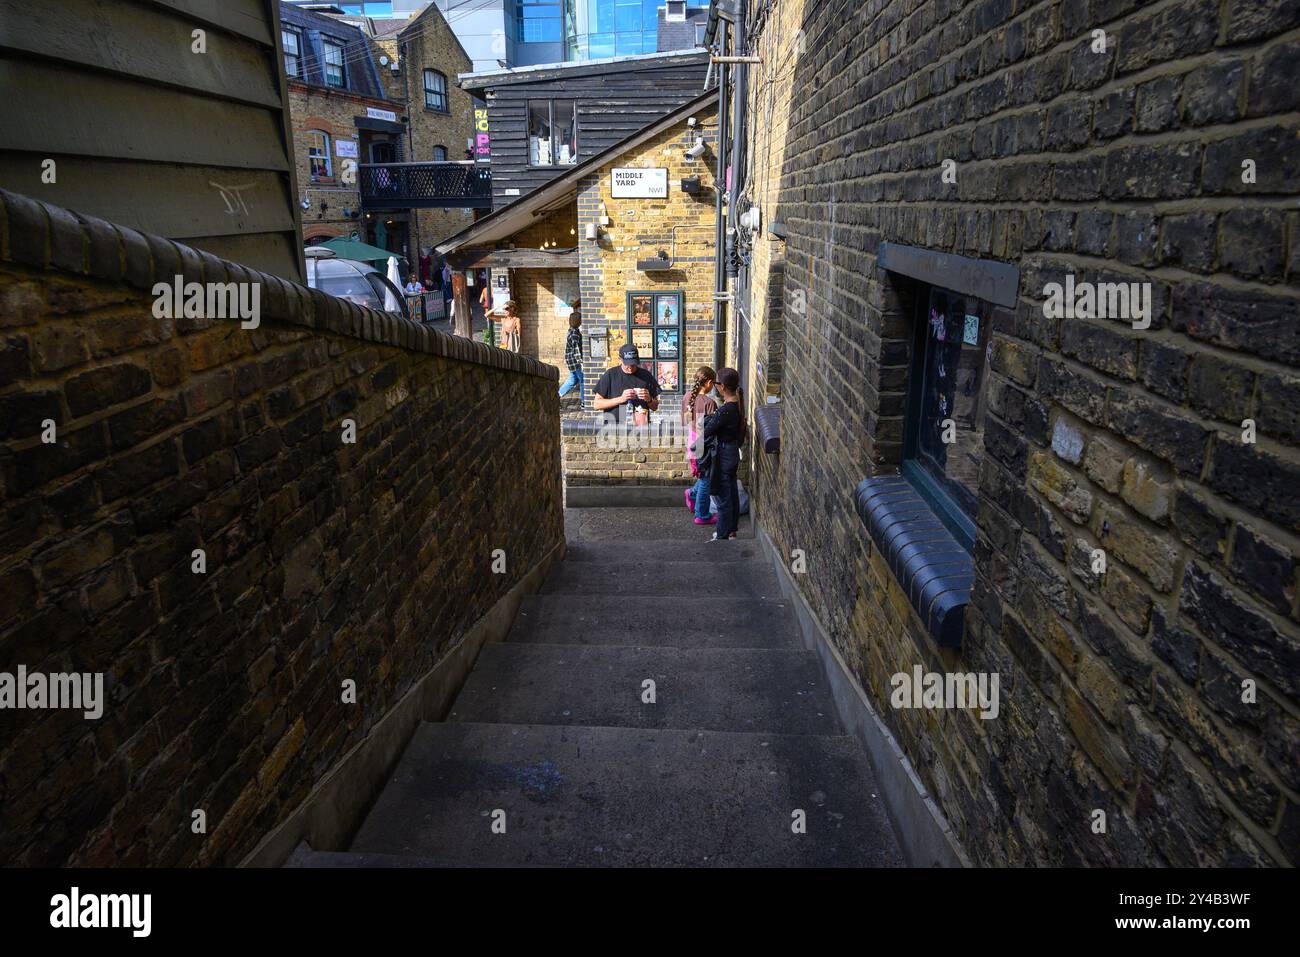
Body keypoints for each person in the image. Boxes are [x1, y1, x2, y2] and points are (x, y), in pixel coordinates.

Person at [703, 367, 745, 541]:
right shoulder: (736, 405)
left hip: (724, 453)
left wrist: (709, 419)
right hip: (732, 450)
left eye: (717, 383)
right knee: (731, 492)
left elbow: (706, 431)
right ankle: (731, 530)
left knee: (722, 496)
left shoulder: (726, 410)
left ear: (722, 387)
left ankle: (722, 535)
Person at [682, 366, 717, 525]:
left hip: (692, 441)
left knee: (703, 476)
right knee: (706, 479)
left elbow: (685, 421)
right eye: (713, 383)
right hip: (704, 445)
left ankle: (691, 494)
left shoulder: (687, 396)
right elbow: (713, 428)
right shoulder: (710, 403)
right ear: (709, 382)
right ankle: (701, 515)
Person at [593, 343, 659, 426]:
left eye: (633, 364)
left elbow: (655, 407)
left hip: (640, 427)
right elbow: (596, 404)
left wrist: (649, 399)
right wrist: (621, 399)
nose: (630, 367)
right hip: (614, 427)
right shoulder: (610, 374)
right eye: (627, 364)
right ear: (620, 359)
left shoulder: (646, 375)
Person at [559, 305, 583, 405]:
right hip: (575, 361)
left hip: (570, 359)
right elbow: (576, 348)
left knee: (573, 379)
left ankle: (557, 395)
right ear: (579, 321)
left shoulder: (571, 330)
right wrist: (581, 361)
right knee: (583, 380)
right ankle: (584, 401)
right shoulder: (575, 333)